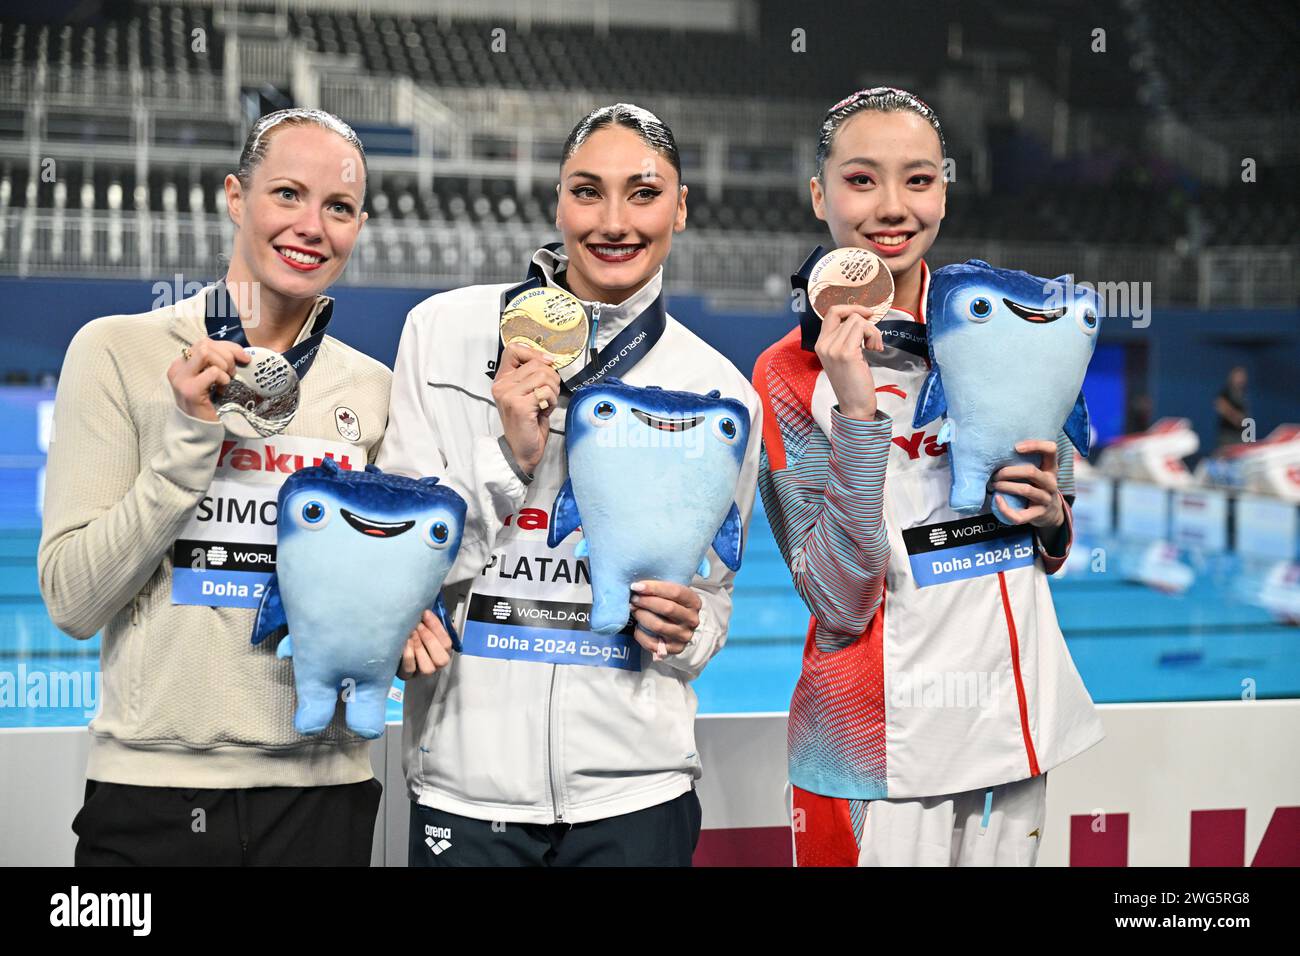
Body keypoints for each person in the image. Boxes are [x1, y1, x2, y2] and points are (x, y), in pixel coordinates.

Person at [380, 103, 761, 866]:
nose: (614, 221)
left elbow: (714, 594)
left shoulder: (719, 394)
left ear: (680, 207)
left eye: (644, 193)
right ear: (558, 199)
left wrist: (691, 634)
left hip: (636, 794)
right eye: (588, 191)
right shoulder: (443, 334)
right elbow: (399, 567)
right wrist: (508, 460)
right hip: (466, 789)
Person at [751, 88, 1104, 867]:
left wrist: (1048, 516)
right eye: (860, 179)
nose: (891, 207)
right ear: (819, 194)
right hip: (874, 754)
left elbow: (1053, 525)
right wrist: (857, 412)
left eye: (917, 179)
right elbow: (839, 598)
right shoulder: (785, 374)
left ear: (944, 189)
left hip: (1014, 733)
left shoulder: (1008, 326)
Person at [38, 108, 392, 865]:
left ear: (360, 225)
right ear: (236, 197)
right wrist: (190, 441)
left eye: (339, 208)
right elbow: (72, 600)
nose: (312, 227)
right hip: (151, 796)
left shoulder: (372, 388)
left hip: (323, 797)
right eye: (288, 194)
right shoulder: (116, 352)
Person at [1214, 365, 1250, 448]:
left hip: (1241, 437)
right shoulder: (1225, 393)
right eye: (1238, 376)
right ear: (1232, 376)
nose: (1241, 379)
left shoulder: (1243, 396)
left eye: (1242, 376)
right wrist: (1238, 418)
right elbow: (1221, 406)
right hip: (1227, 437)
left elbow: (1247, 419)